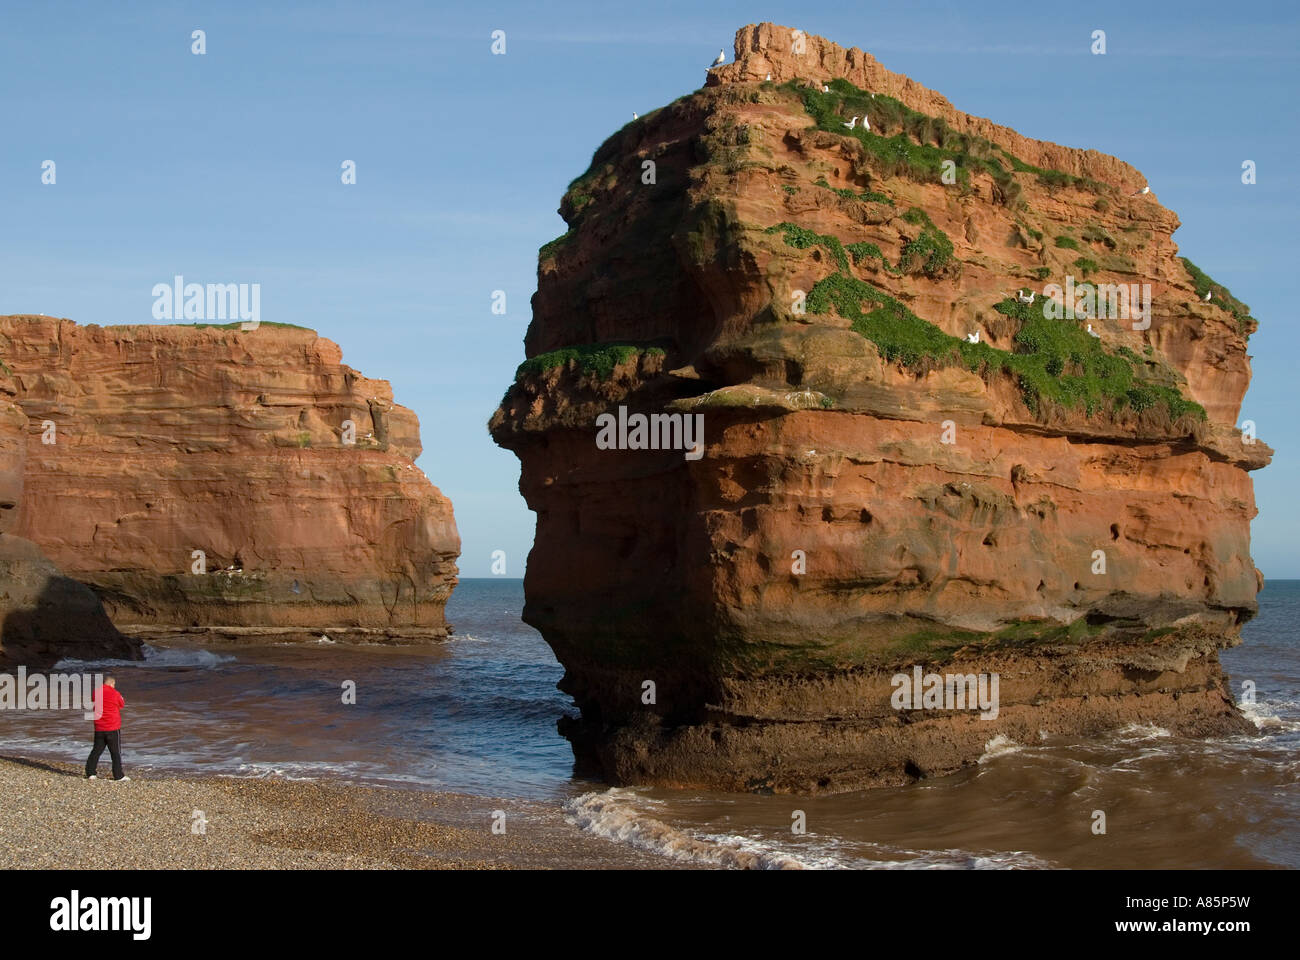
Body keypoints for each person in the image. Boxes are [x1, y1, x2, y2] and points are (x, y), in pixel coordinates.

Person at [85, 676, 129, 782]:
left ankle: (90, 772)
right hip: (112, 727)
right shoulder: (115, 693)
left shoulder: (96, 692)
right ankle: (118, 775)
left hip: (99, 726)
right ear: (112, 683)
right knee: (115, 752)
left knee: (96, 750)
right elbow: (121, 703)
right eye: (114, 685)